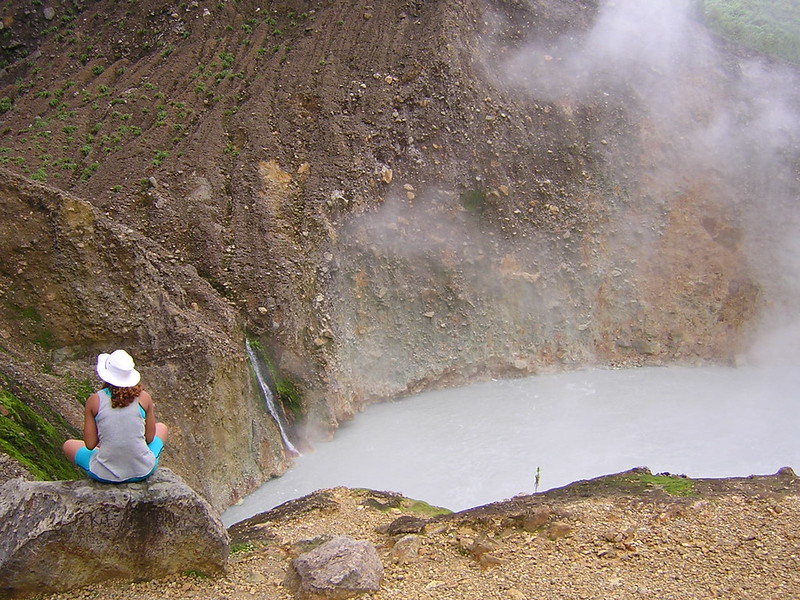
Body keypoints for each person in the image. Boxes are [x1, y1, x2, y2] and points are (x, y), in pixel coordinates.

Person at [63, 349, 168, 483]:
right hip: (142, 470)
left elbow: (90, 444)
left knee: (69, 445)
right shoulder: (144, 398)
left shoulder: (94, 401)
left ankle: (110, 457)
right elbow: (150, 437)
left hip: (105, 474)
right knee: (162, 428)